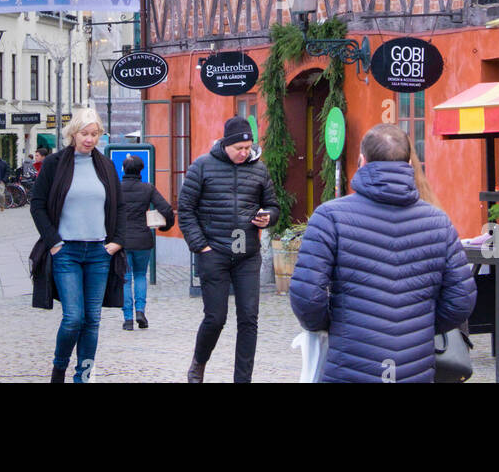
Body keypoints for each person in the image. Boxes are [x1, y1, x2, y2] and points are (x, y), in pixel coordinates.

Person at [288, 124, 477, 383]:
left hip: (348, 365)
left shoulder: (329, 217)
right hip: (413, 369)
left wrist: (336, 325)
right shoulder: (438, 222)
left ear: (362, 161)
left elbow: (307, 297)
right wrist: (420, 327)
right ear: (410, 162)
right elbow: (461, 300)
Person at [178, 116, 279, 383]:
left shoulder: (259, 169)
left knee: (249, 318)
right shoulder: (201, 167)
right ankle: (199, 363)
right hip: (214, 252)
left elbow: (273, 205)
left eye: (248, 148)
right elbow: (185, 210)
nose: (244, 153)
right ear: (226, 145)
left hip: (247, 254)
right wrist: (202, 247)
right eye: (239, 149)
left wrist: (267, 216)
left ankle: (243, 379)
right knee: (216, 317)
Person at [28, 108, 125, 384]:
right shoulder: (55, 164)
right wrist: (54, 242)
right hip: (66, 251)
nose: (90, 139)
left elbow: (120, 205)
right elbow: (37, 205)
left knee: (92, 320)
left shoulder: (105, 165)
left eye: (95, 134)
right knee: (73, 318)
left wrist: (117, 241)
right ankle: (59, 370)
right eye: (85, 133)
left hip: (99, 252)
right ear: (73, 133)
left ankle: (82, 377)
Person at [117, 155, 174, 331]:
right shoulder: (147, 188)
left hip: (122, 241)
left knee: (126, 279)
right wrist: (165, 227)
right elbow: (166, 209)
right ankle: (140, 311)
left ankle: (127, 319)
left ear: (123, 169)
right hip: (143, 239)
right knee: (141, 275)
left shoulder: (117, 189)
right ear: (141, 170)